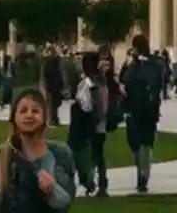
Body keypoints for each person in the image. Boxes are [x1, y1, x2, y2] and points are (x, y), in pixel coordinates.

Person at [0, 88, 76, 212]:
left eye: (35, 111)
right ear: (13, 118)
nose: (29, 115)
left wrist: (52, 191)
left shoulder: (60, 154)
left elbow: (66, 202)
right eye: (23, 111)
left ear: (45, 117)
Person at [120, 34, 163, 194]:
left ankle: (142, 175)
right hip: (144, 109)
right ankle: (143, 172)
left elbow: (125, 82)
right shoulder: (149, 64)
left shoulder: (145, 66)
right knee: (142, 143)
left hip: (140, 109)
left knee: (139, 143)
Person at [68, 52, 100, 196]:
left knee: (80, 151)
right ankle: (86, 179)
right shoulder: (87, 82)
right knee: (80, 150)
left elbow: (87, 104)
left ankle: (87, 180)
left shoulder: (88, 83)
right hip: (83, 119)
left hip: (82, 119)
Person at [93, 51, 122, 198]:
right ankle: (98, 182)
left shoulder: (107, 82)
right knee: (96, 152)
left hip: (100, 121)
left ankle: (100, 183)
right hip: (98, 120)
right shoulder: (101, 81)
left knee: (97, 152)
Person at [40, 45, 66, 127]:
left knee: (55, 103)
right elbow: (44, 74)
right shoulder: (47, 62)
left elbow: (60, 73)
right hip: (50, 84)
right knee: (51, 103)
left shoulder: (56, 61)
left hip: (55, 84)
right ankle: (52, 119)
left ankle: (54, 118)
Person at [0, 47, 17, 111]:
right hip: (7, 79)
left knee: (8, 92)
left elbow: (12, 71)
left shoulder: (9, 64)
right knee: (5, 92)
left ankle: (7, 104)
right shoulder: (6, 64)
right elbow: (3, 71)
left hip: (8, 78)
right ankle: (3, 104)